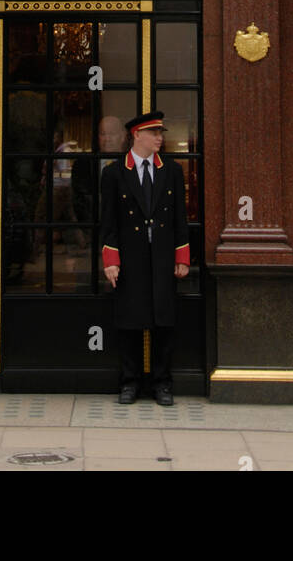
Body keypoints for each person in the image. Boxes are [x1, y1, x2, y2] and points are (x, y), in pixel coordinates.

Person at [99, 110, 190, 406]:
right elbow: (108, 221)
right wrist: (111, 260)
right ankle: (130, 382)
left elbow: (179, 217)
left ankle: (162, 384)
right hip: (131, 256)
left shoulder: (171, 171)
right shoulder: (114, 172)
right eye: (154, 133)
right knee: (129, 323)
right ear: (137, 135)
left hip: (162, 257)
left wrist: (182, 256)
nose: (160, 139)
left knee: (164, 322)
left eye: (161, 133)